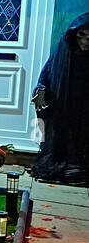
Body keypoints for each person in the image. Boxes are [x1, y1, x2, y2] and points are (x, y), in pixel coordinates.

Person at [32, 14, 89, 185]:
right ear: (74, 36)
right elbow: (46, 75)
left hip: (85, 105)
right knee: (64, 133)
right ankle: (66, 164)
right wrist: (41, 91)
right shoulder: (63, 53)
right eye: (82, 36)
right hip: (63, 103)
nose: (86, 41)